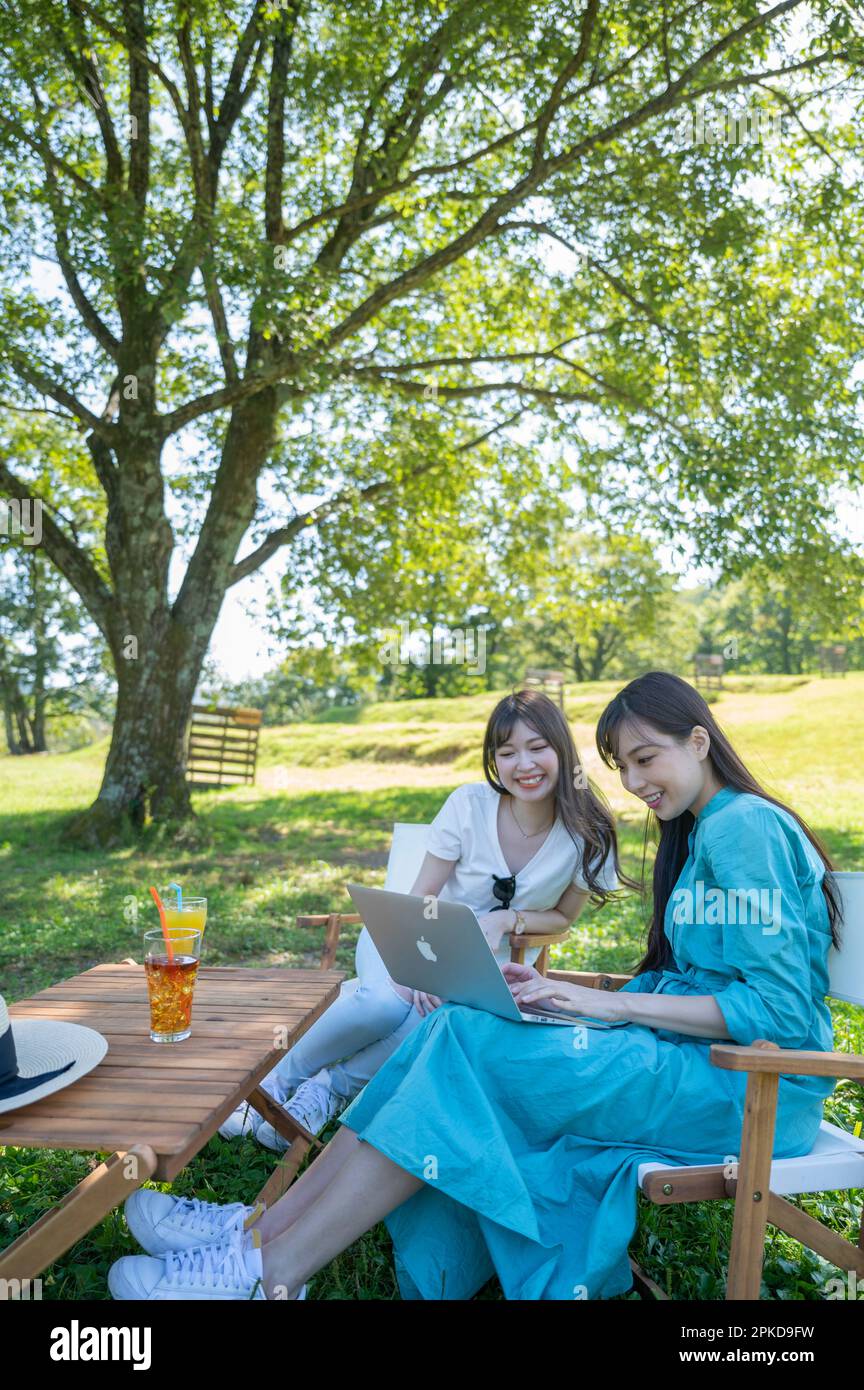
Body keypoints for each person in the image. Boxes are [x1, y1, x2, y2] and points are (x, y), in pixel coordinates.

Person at [108, 671, 841, 1301]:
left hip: (751, 1094)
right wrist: (564, 1000)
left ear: (700, 742)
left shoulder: (743, 828)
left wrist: (604, 1002)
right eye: (623, 767)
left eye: (648, 759)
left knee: (465, 1042)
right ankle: (260, 1232)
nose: (637, 782)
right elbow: (702, 981)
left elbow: (775, 1012)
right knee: (445, 1027)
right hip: (689, 1063)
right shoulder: (706, 830)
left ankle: (270, 1267)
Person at [217, 689, 621, 1150]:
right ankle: (269, 1086)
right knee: (383, 1005)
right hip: (411, 933)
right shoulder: (469, 805)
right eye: (507, 752)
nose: (523, 764)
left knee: (430, 1023)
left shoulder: (591, 833)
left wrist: (509, 919)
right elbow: (421, 897)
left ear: (561, 749)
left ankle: (325, 1092)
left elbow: (563, 918)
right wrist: (429, 968)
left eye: (537, 747)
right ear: (494, 759)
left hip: (484, 975)